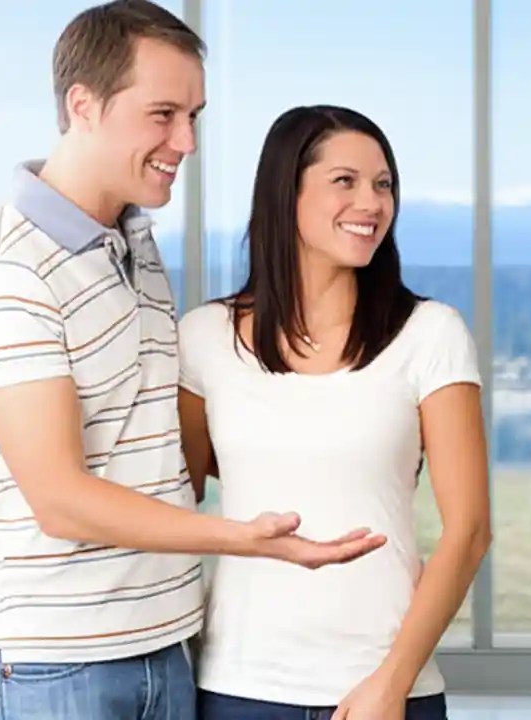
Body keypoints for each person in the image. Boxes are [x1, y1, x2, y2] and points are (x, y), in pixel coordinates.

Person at [0, 3, 384, 718]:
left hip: (164, 645)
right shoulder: (8, 269)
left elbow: (146, 439)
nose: (187, 141)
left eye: (194, 116)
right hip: (53, 668)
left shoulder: (129, 239)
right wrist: (241, 540)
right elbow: (59, 499)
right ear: (82, 106)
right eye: (163, 114)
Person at [176, 104, 491, 720]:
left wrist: (390, 683)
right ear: (283, 192)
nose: (371, 203)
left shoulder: (431, 334)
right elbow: (170, 503)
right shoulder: (203, 337)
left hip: (386, 688)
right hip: (241, 685)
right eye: (344, 181)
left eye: (383, 184)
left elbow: (470, 531)